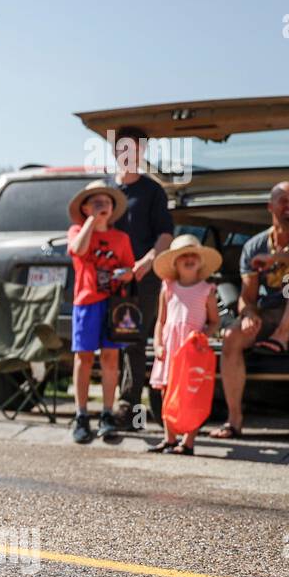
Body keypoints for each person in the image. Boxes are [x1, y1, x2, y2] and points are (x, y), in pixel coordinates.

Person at [214, 181, 289, 439]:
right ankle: (234, 421)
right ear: (271, 206)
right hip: (272, 312)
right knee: (231, 337)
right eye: (283, 200)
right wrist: (249, 315)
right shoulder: (254, 246)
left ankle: (282, 337)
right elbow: (247, 297)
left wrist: (276, 259)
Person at [107, 127, 174, 429]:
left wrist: (147, 262)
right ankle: (123, 403)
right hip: (111, 279)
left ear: (142, 153)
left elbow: (165, 234)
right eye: (122, 148)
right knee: (115, 341)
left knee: (135, 340)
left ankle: (130, 406)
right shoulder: (106, 191)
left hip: (143, 278)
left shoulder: (152, 190)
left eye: (134, 149)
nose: (128, 154)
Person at [66, 180, 135, 445]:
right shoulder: (76, 231)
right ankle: (81, 414)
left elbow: (129, 270)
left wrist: (126, 273)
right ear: (83, 207)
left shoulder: (121, 238)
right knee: (83, 357)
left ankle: (107, 413)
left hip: (113, 303)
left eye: (106, 202)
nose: (101, 205)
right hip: (86, 302)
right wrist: (90, 223)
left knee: (110, 358)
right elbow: (79, 250)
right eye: (95, 202)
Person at [145, 235, 221, 455]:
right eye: (183, 255)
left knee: (191, 392)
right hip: (170, 348)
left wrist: (202, 336)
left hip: (191, 350)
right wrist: (158, 344)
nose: (188, 259)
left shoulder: (206, 290)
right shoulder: (168, 287)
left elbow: (214, 321)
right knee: (166, 392)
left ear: (200, 261)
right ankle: (169, 437)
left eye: (192, 255)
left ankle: (188, 441)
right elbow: (161, 320)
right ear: (175, 262)